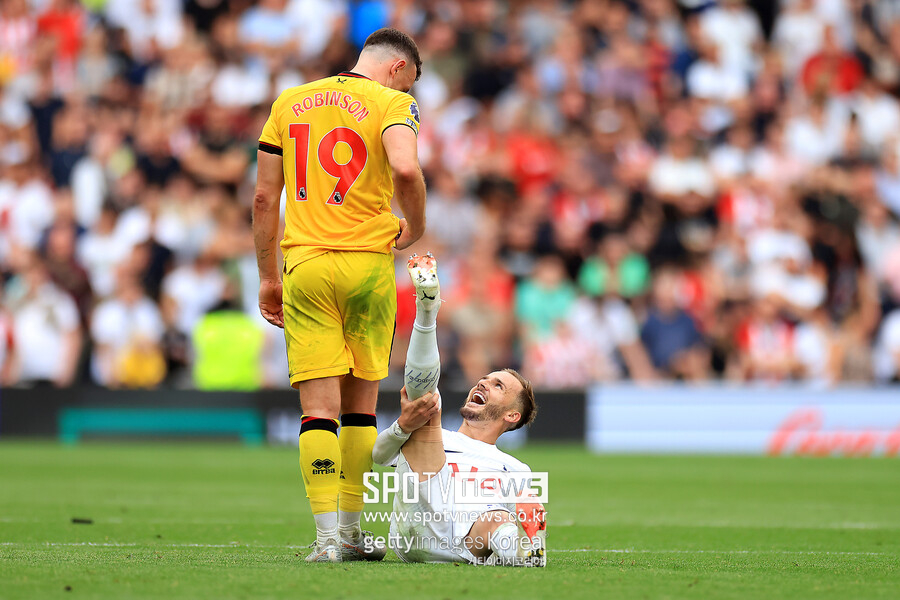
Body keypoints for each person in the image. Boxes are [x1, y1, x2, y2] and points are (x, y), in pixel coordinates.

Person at [251, 28, 427, 562]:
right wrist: (415, 226)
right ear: (399, 68)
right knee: (360, 411)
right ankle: (352, 534)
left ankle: (327, 539)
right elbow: (405, 168)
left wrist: (267, 276)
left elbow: (263, 197)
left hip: (305, 265)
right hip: (369, 268)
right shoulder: (394, 102)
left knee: (317, 412)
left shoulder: (289, 101)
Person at [371, 254, 546, 566]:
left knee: (499, 520)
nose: (482, 383)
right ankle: (427, 313)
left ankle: (519, 556)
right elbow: (378, 456)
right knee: (426, 408)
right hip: (417, 532)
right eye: (484, 379)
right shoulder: (436, 437)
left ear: (511, 416)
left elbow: (531, 514)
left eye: (497, 386)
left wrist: (534, 543)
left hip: (469, 543)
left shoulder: (516, 468)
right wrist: (403, 426)